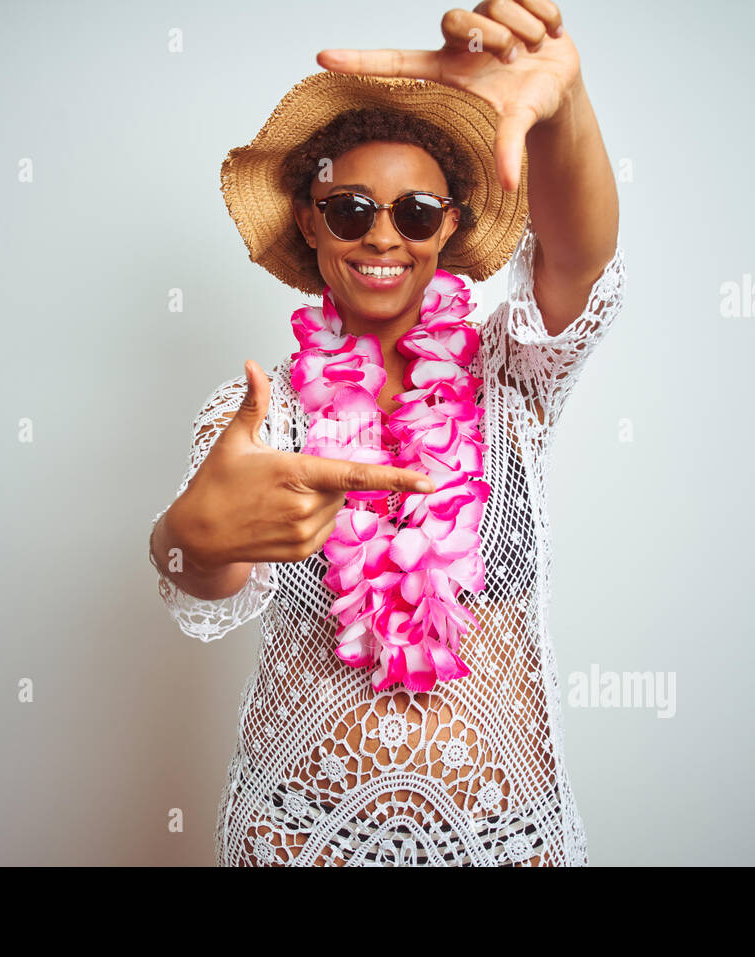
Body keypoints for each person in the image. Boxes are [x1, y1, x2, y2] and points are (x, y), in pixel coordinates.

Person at [148, 0, 625, 866]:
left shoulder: (511, 376)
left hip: (506, 838)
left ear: (449, 226)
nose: (381, 235)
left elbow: (579, 264)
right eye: (350, 208)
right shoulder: (263, 415)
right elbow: (205, 579)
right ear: (309, 220)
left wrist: (567, 106)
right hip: (299, 834)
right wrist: (183, 539)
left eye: (413, 213)